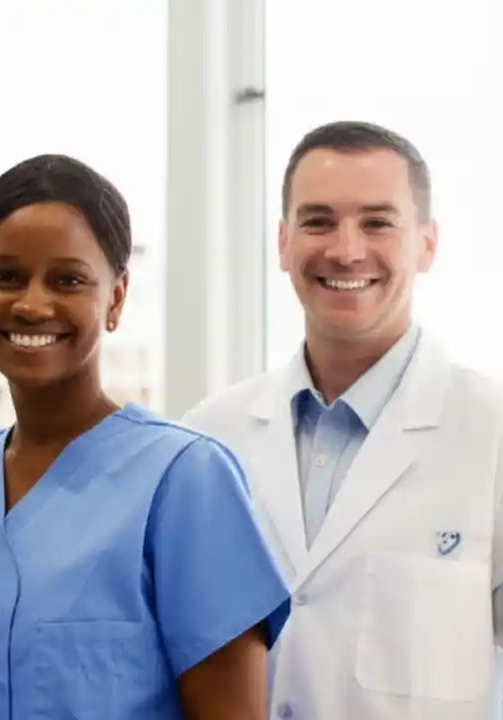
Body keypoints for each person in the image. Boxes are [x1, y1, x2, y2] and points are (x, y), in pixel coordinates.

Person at [0, 154, 291, 719]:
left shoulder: (185, 480)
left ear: (114, 297)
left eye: (68, 280)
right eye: (5, 276)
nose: (32, 304)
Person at [184, 120, 503, 719]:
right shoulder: (209, 437)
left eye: (377, 222)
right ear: (283, 243)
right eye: (318, 221)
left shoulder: (490, 434)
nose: (346, 249)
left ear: (427, 244)